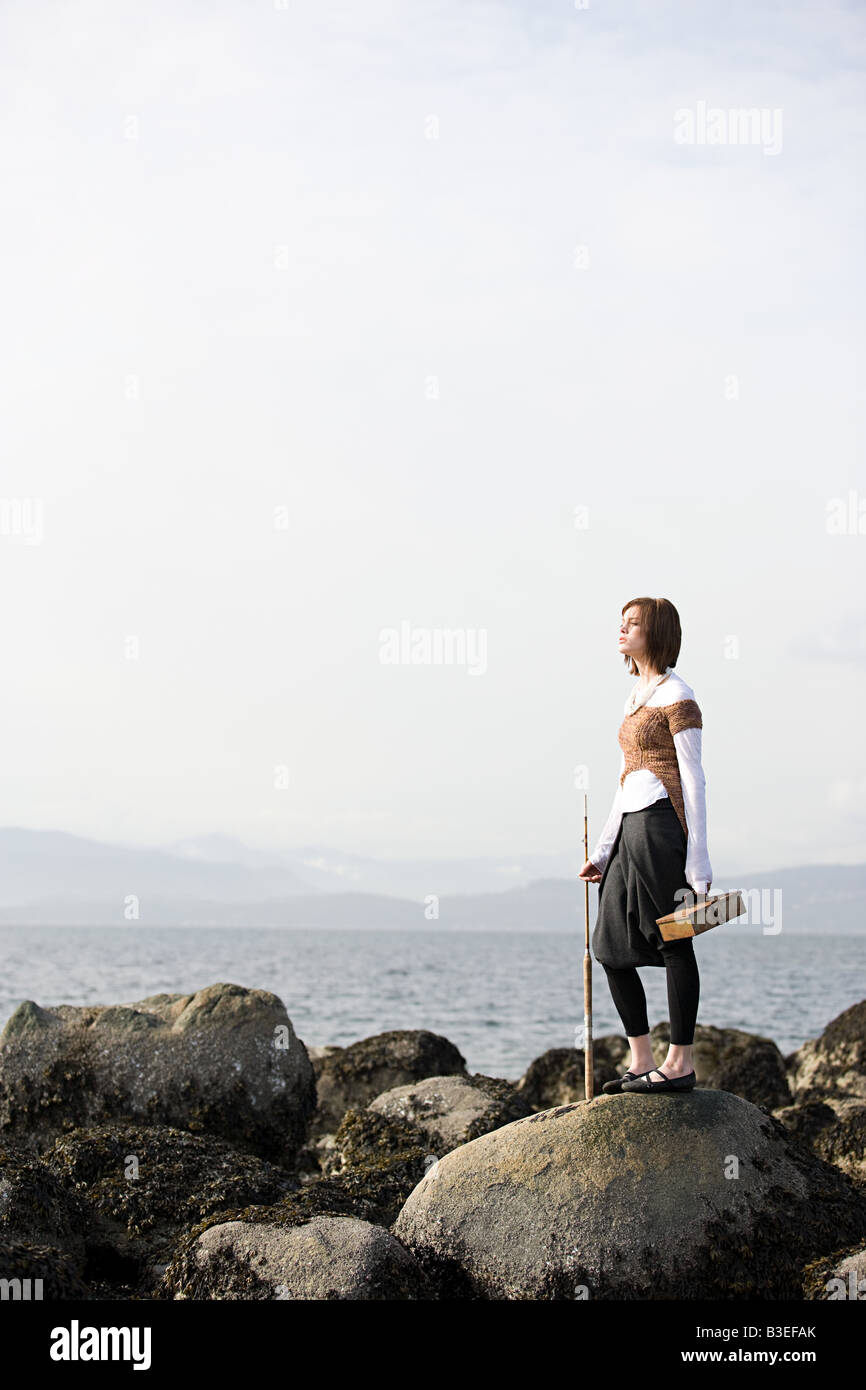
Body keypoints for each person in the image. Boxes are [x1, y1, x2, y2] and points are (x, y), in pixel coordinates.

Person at [578, 596, 712, 1093]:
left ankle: (680, 1063)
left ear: (655, 633)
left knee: (675, 938)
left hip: (661, 826)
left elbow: (694, 780)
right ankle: (641, 1060)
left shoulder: (679, 695)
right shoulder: (635, 696)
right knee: (609, 948)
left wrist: (699, 861)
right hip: (628, 830)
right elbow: (624, 780)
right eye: (622, 622)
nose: (622, 630)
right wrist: (602, 852)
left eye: (632, 624)